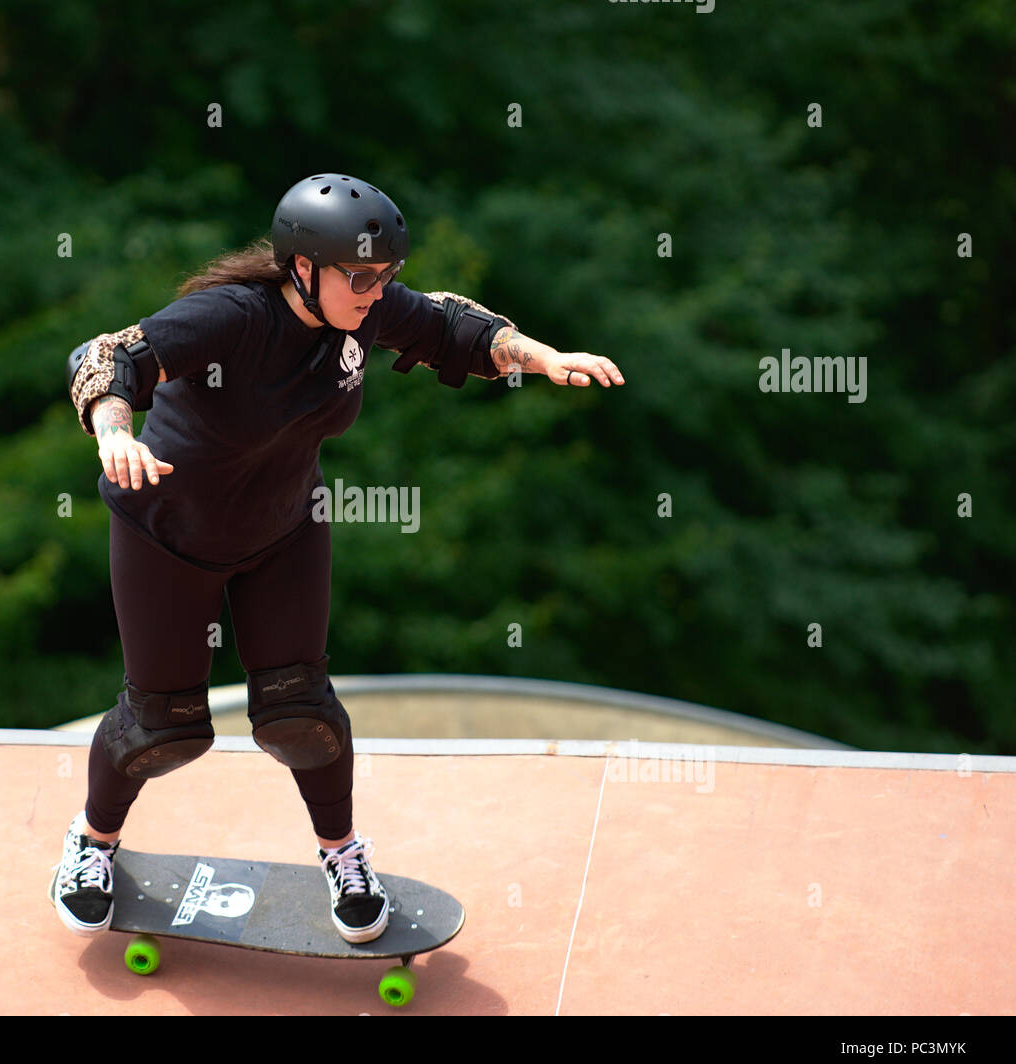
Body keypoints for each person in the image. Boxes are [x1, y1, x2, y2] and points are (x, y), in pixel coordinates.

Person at [49, 173, 623, 945]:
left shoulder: (366, 311)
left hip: (283, 530)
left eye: (387, 276)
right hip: (168, 535)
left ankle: (344, 856)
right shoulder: (232, 318)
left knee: (302, 715)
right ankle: (92, 845)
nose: (378, 293)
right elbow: (110, 356)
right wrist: (115, 431)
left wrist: (541, 357)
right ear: (302, 269)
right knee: (164, 729)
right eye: (361, 277)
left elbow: (458, 329)